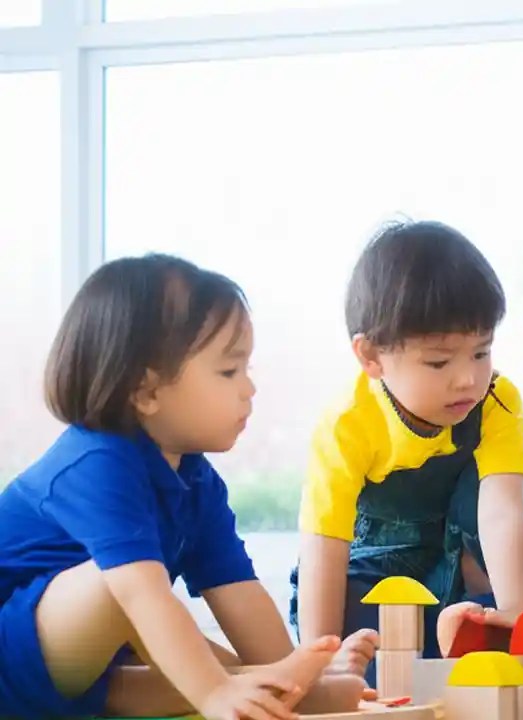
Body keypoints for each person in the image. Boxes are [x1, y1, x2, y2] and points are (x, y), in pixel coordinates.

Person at [0, 254, 373, 720]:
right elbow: (140, 595)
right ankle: (250, 685)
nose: (249, 389)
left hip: (96, 671)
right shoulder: (98, 463)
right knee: (129, 592)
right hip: (15, 653)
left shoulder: (197, 482)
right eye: (228, 372)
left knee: (239, 675)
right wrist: (215, 694)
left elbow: (240, 593)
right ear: (147, 391)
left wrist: (291, 671)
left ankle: (281, 687)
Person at [291, 220, 523, 673]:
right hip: (383, 568)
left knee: (503, 488)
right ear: (371, 357)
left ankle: (485, 620)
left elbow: (504, 510)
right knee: (367, 661)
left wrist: (521, 621)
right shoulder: (348, 424)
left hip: (471, 571)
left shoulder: (497, 402)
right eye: (439, 361)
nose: (467, 378)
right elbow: (324, 544)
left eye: (481, 352)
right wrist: (323, 661)